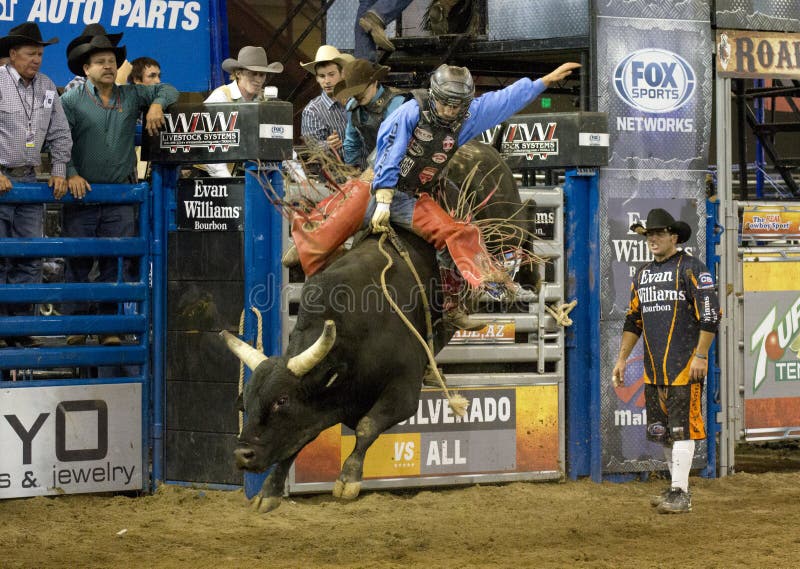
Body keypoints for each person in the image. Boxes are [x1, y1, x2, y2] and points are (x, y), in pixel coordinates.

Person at [60, 31, 179, 346]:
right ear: (86, 69)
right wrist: (70, 171)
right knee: (78, 261)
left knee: (115, 263)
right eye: (100, 62)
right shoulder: (70, 99)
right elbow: (58, 140)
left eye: (111, 61)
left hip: (120, 196)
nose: (108, 67)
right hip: (81, 193)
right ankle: (75, 326)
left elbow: (169, 89)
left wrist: (156, 105)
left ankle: (109, 327)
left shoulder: (131, 95)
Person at [611, 208, 721, 514]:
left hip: (685, 365)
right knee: (663, 431)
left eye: (659, 234)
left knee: (681, 429)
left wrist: (700, 355)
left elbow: (710, 316)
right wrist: (621, 360)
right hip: (654, 368)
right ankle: (677, 487)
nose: (653, 239)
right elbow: (634, 321)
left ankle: (680, 491)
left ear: (674, 237)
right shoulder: (642, 273)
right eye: (649, 235)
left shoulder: (692, 269)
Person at [0, 23, 72, 349]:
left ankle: (17, 328)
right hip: (1, 178)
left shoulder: (46, 87)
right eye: (31, 53)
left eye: (41, 54)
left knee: (30, 257)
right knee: (2, 257)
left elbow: (59, 131)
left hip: (29, 179)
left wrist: (58, 168)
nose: (37, 59)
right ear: (13, 54)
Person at [199, 46, 283, 178]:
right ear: (238, 73)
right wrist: (229, 183)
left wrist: (301, 178)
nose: (259, 79)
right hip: (206, 179)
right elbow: (210, 150)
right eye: (253, 73)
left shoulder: (263, 102)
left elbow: (280, 140)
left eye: (262, 74)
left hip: (241, 175)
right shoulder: (221, 98)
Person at [334, 58, 411, 169]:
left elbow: (393, 145)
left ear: (374, 82)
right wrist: (349, 172)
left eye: (362, 90)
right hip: (375, 167)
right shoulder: (352, 106)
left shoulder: (396, 104)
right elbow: (352, 143)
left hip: (402, 165)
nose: (358, 95)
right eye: (353, 92)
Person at [300, 45, 354, 157]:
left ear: (342, 74)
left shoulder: (354, 101)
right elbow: (311, 148)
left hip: (367, 169)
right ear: (317, 79)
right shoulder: (312, 111)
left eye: (331, 74)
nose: (327, 81)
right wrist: (327, 145)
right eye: (322, 76)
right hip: (337, 172)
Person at [62, 24, 124, 92]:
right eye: (100, 61)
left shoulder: (119, 89)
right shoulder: (75, 88)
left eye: (111, 61)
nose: (107, 66)